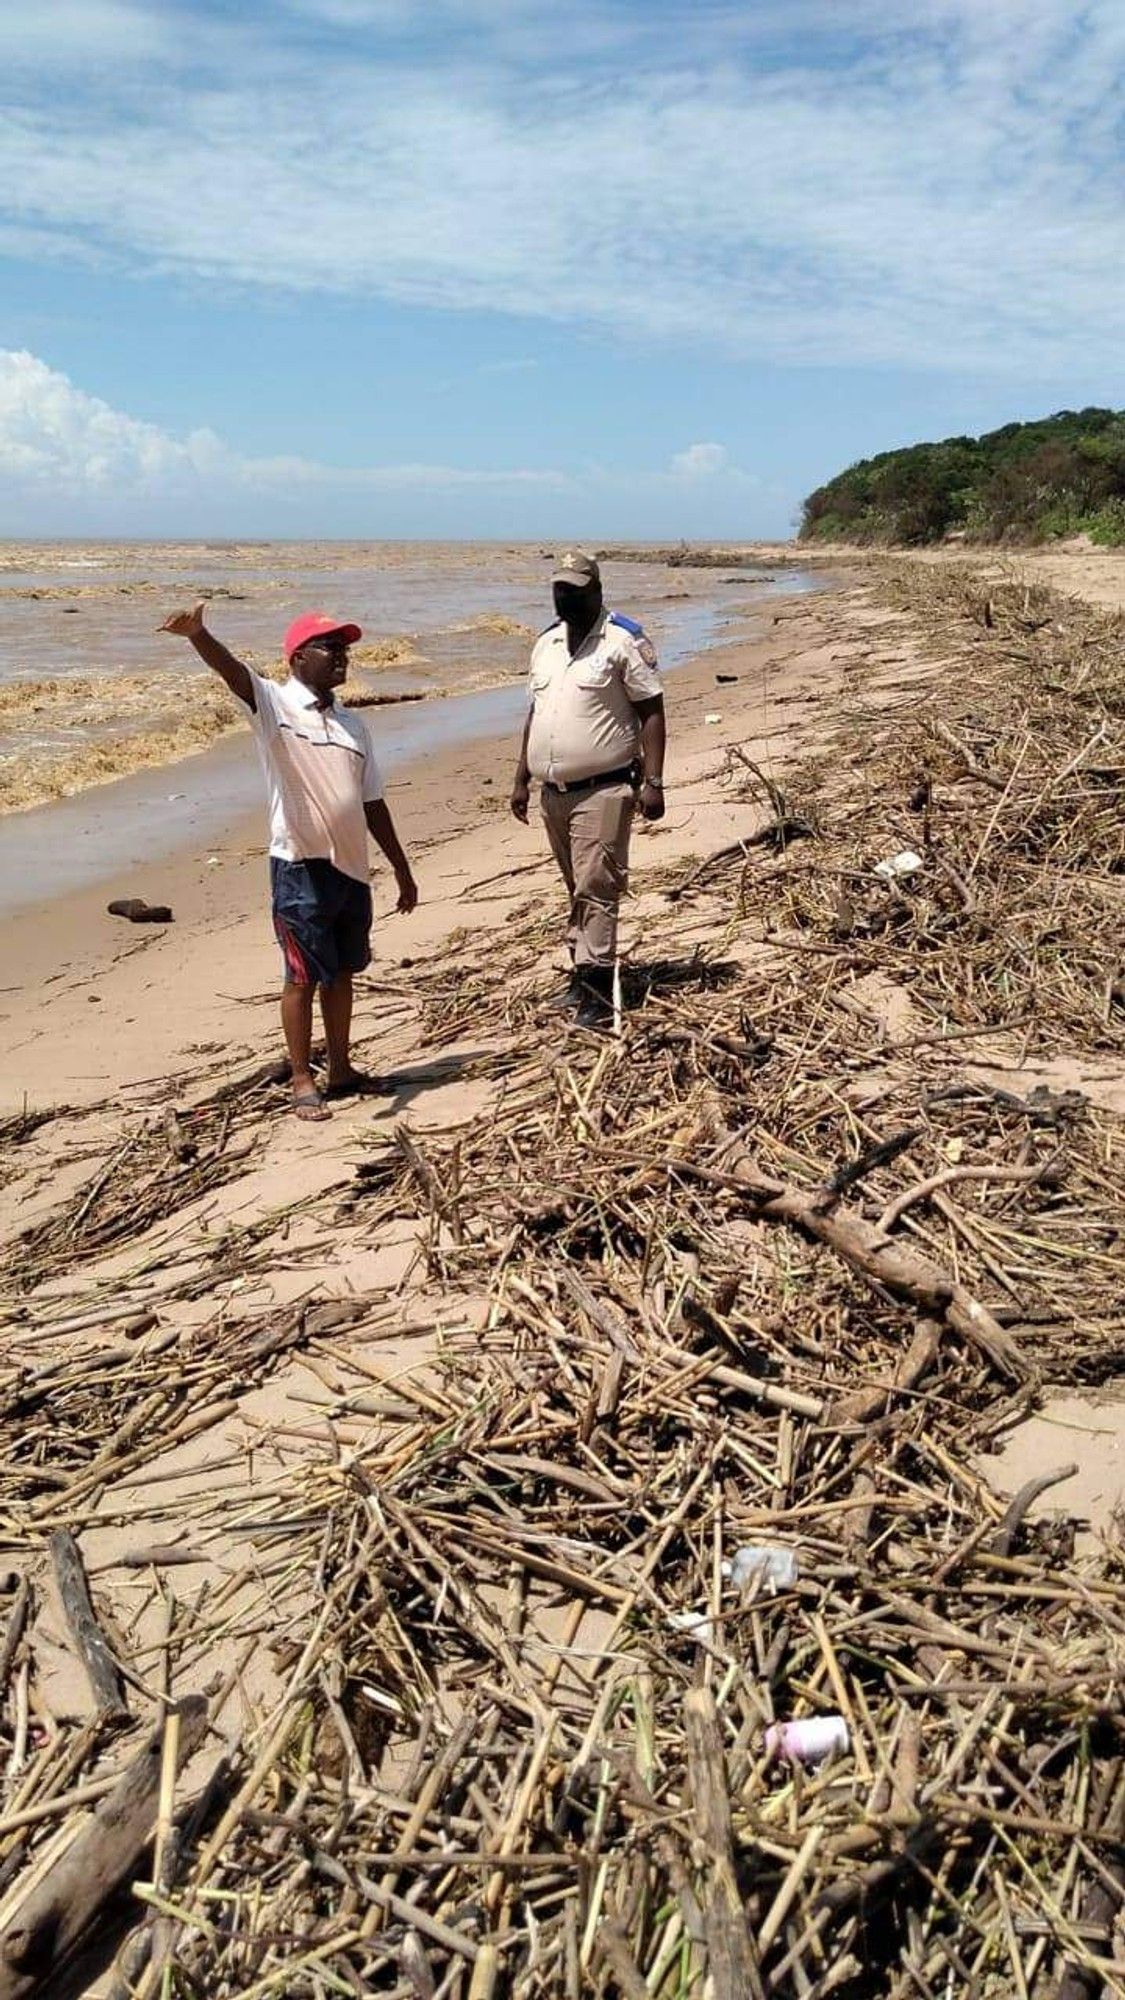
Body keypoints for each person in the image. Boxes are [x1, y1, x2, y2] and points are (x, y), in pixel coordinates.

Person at [160, 603, 417, 1120]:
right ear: (298, 658)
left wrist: (401, 868)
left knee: (342, 972)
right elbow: (233, 673)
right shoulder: (275, 706)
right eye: (331, 647)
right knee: (300, 976)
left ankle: (341, 1068)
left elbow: (372, 801)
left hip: (350, 868)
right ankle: (302, 1077)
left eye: (345, 647)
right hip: (299, 865)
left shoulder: (353, 725)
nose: (342, 656)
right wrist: (198, 634)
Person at [510, 551, 665, 1028]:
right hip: (553, 792)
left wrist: (654, 781)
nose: (565, 598)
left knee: (597, 887)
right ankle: (583, 974)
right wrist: (521, 776)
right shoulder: (546, 644)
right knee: (575, 887)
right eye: (559, 590)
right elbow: (537, 713)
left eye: (575, 590)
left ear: (596, 590)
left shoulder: (622, 640)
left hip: (605, 788)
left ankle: (597, 993)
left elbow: (651, 709)